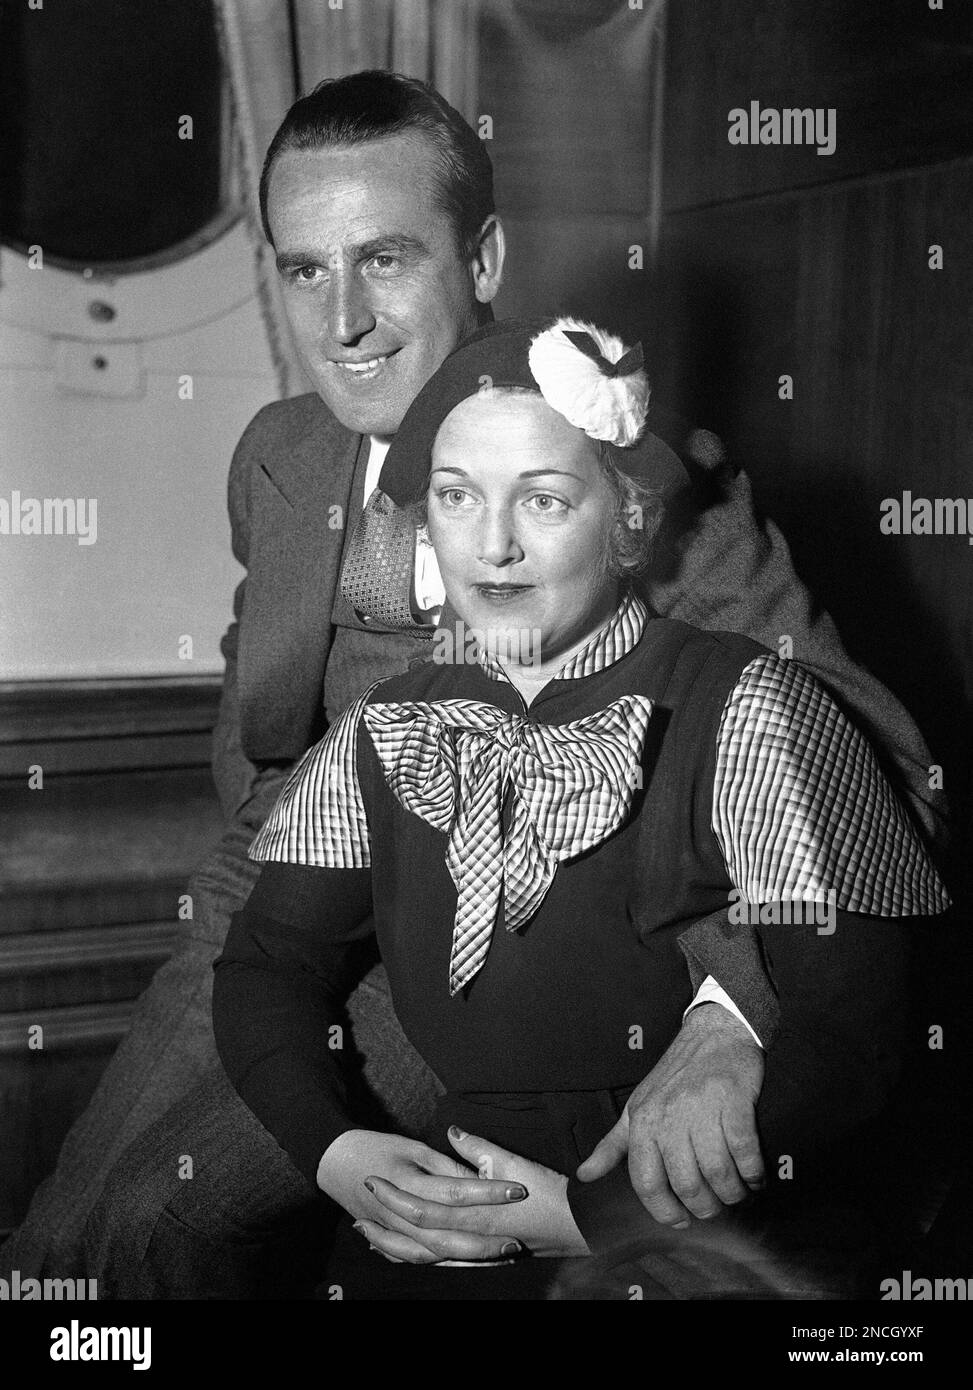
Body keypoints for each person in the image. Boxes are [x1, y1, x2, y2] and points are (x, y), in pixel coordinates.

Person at [2, 70, 945, 1293]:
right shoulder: (279, 458)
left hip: (480, 927)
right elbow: (259, 712)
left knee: (163, 1220)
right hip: (280, 895)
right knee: (58, 1246)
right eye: (302, 268)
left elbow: (877, 759)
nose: (342, 318)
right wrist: (283, 864)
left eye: (384, 259)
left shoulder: (632, 479)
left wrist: (729, 1010)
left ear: (484, 254)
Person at [204, 317, 949, 1299]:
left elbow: (850, 1045)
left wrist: (590, 1219)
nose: (495, 545)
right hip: (452, 1227)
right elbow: (267, 962)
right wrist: (342, 1155)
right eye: (459, 499)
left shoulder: (750, 705)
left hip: (705, 1242)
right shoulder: (386, 728)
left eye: (544, 501)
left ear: (630, 520)